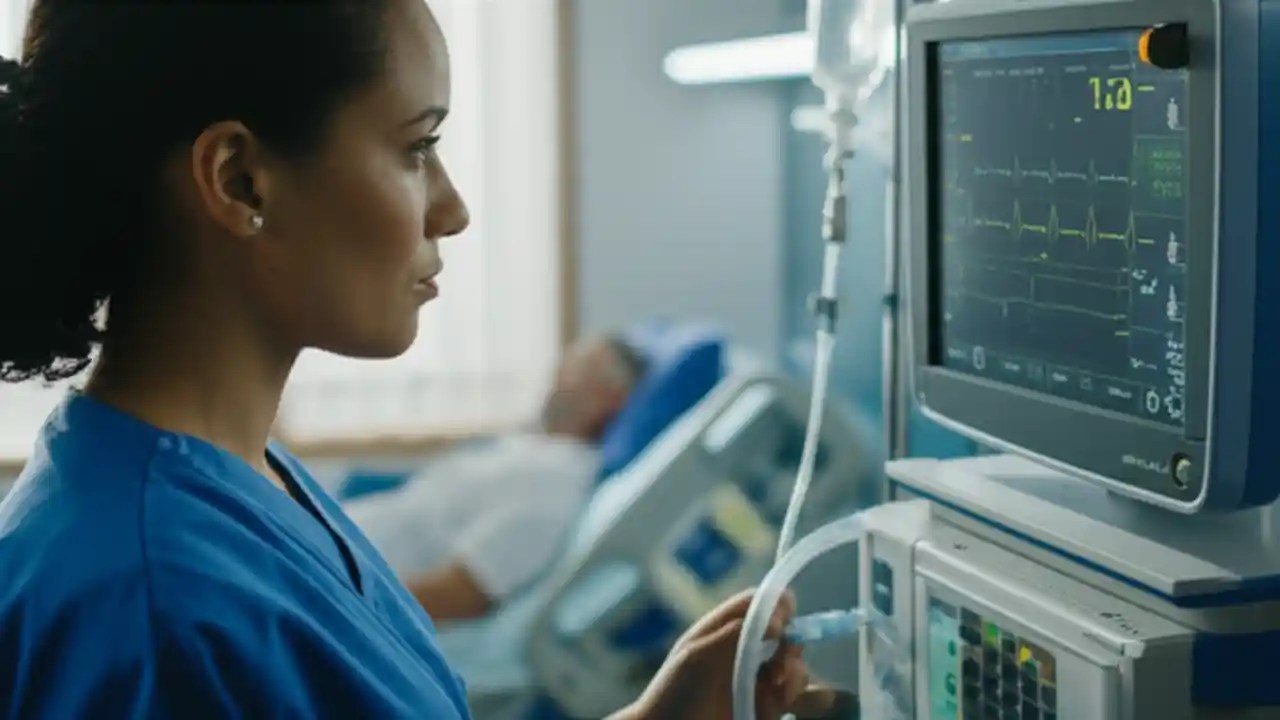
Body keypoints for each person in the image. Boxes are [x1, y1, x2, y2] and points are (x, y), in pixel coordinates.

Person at [0, 1, 832, 718]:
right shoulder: (159, 607)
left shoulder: (242, 482)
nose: (454, 208)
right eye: (416, 147)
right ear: (242, 180)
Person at [347, 335, 646, 621]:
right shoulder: (533, 447)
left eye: (576, 370)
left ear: (610, 398)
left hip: (345, 575)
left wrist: (339, 605)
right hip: (347, 538)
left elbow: (457, 593)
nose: (557, 377)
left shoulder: (553, 482)